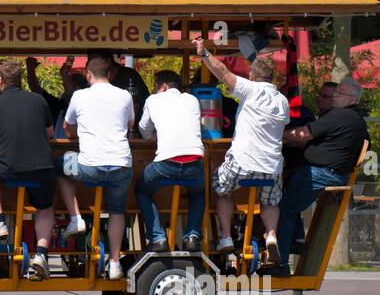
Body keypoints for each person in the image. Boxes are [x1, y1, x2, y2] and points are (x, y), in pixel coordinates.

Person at [194, 37, 290, 269]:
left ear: (252, 76)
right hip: (271, 167)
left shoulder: (250, 90)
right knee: (270, 201)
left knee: (221, 188)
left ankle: (226, 236)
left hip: (243, 161)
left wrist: (204, 53)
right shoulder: (283, 101)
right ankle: (271, 235)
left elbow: (223, 73)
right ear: (272, 78)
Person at [0, 59, 75, 280]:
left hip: (7, 168)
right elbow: (50, 132)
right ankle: (40, 254)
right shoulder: (38, 100)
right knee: (45, 207)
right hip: (42, 167)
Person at [273, 77, 369, 275]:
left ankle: (280, 263)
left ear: (352, 99)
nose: (335, 96)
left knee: (280, 208)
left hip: (322, 173)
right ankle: (296, 241)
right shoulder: (355, 119)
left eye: (339, 93)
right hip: (329, 172)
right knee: (288, 196)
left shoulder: (340, 115)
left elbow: (305, 134)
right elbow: (366, 142)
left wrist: (276, 132)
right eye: (335, 92)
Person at [59, 55, 135, 280]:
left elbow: (67, 126)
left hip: (89, 167)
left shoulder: (79, 96)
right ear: (110, 73)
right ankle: (114, 263)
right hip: (121, 165)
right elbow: (130, 123)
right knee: (117, 212)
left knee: (59, 167)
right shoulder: (124, 95)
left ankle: (76, 218)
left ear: (88, 75)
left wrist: (74, 135)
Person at [133, 70, 206, 253]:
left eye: (155, 86)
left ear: (163, 87)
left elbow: (144, 131)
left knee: (141, 189)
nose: (153, 90)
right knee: (198, 193)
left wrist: (156, 136)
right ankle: (192, 236)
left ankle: (158, 238)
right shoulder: (192, 100)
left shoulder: (152, 100)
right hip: (195, 162)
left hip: (166, 163)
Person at [87, 48, 150, 119]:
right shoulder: (92, 78)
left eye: (95, 62)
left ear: (108, 61)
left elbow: (143, 103)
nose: (92, 65)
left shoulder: (130, 75)